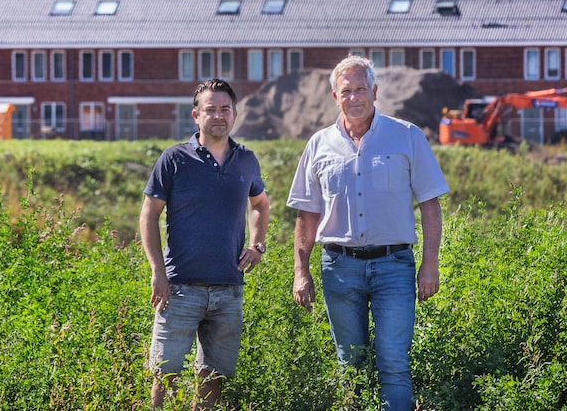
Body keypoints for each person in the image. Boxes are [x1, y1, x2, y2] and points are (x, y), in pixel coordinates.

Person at [288, 56, 448, 410]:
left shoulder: (406, 136)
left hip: (394, 266)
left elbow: (430, 204)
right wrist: (301, 271)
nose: (354, 97)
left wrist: (430, 265)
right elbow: (307, 213)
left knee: (393, 361)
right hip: (339, 269)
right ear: (335, 96)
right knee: (351, 364)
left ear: (375, 91)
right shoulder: (319, 144)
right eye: (346, 91)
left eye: (361, 89)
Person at [140, 78, 271, 409]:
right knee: (164, 375)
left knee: (213, 379)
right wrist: (158, 271)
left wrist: (257, 245)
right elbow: (148, 215)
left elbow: (260, 203)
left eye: (225, 109)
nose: (218, 116)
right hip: (179, 289)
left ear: (235, 114)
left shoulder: (246, 159)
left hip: (228, 290)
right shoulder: (174, 159)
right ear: (196, 115)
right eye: (210, 109)